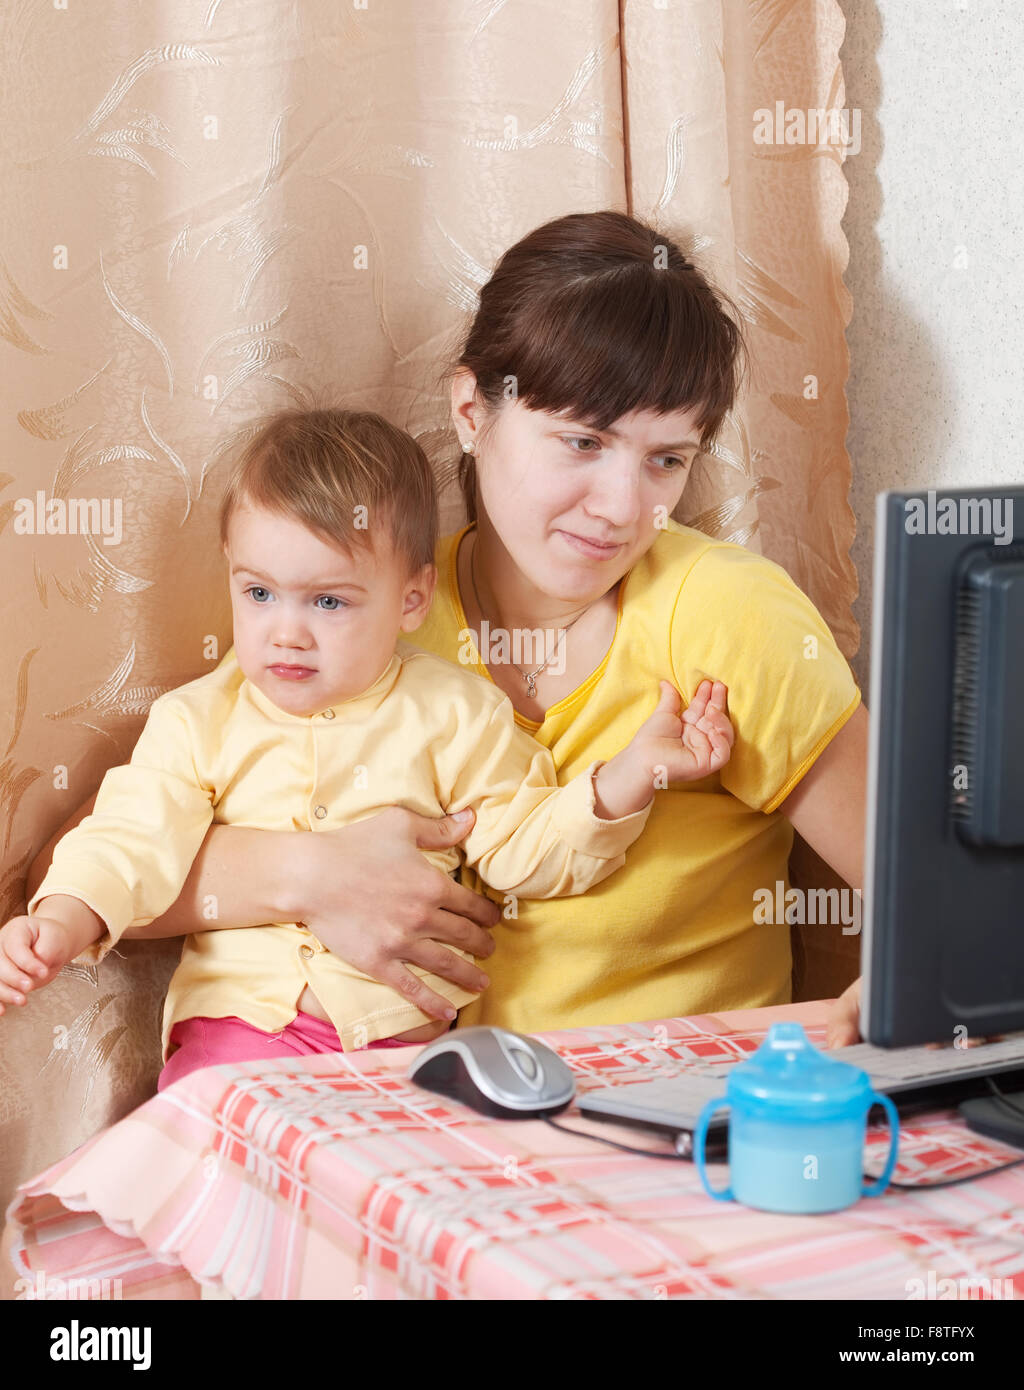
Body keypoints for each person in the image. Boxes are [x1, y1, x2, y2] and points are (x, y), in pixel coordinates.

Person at [19, 209, 870, 1052]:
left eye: (666, 461)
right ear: (470, 409)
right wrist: (313, 877)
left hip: (672, 1126)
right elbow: (81, 865)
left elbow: (929, 899)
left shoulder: (727, 613)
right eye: (581, 441)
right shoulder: (360, 610)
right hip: (436, 1125)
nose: (622, 508)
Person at [0, 407, 734, 1088]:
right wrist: (59, 923)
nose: (287, 631)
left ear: (412, 600)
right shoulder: (196, 720)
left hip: (402, 1059)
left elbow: (523, 853)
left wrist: (629, 778)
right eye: (259, 593)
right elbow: (128, 838)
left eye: (328, 601)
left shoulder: (459, 713)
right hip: (237, 1040)